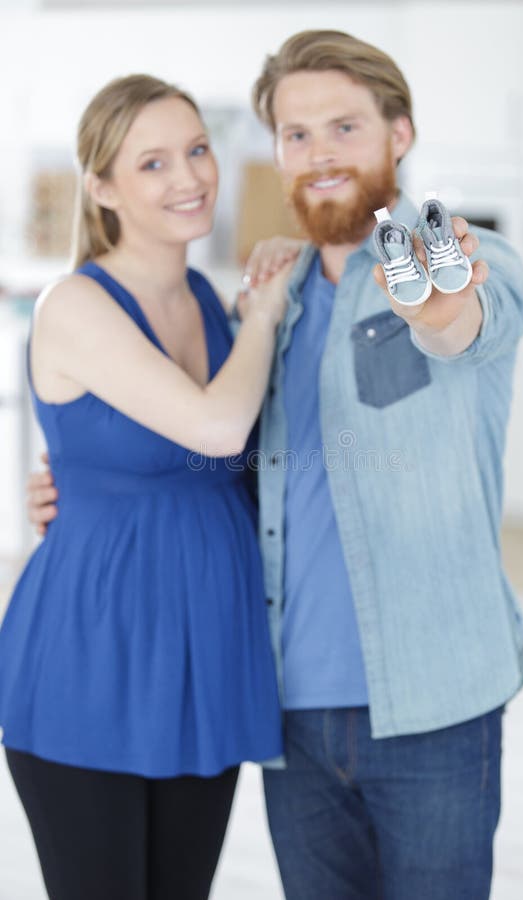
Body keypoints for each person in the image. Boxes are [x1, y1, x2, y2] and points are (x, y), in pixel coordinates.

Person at [26, 30, 523, 900]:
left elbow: (461, 326)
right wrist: (86, 486)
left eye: (344, 127)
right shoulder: (270, 299)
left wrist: (439, 307)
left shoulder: (461, 263)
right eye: (296, 135)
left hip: (432, 706)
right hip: (287, 711)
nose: (319, 154)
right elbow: (248, 459)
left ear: (399, 135)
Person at [0, 73, 296, 900]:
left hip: (202, 659)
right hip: (94, 658)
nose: (190, 177)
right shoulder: (76, 305)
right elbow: (215, 430)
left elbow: (224, 466)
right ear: (103, 189)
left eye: (197, 150)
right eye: (154, 163)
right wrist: (265, 317)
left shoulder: (205, 298)